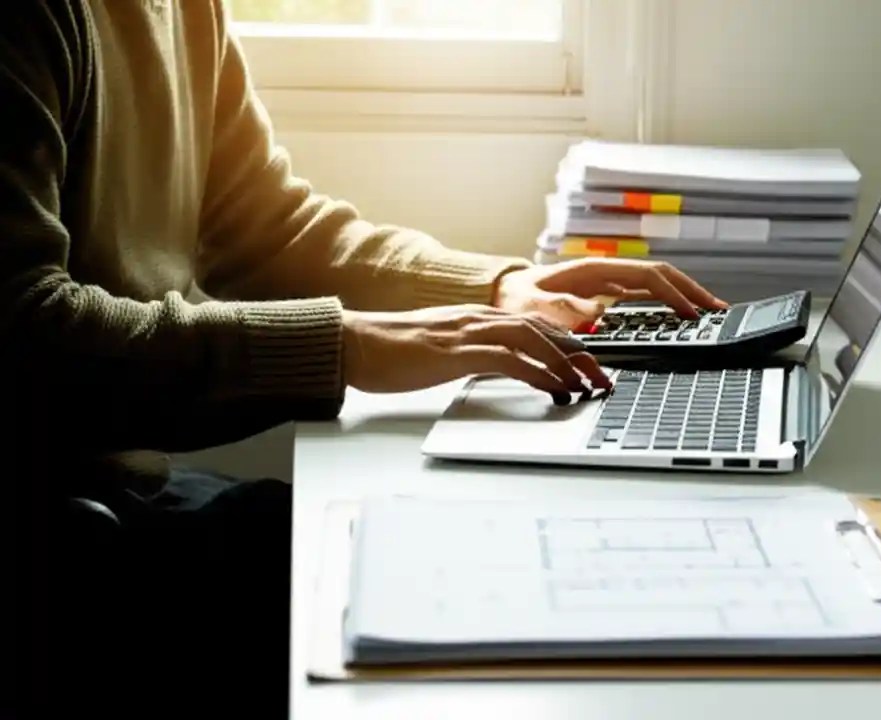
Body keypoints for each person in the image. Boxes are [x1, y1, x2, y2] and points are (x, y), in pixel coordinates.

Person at [0, 2, 727, 716]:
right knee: (416, 604)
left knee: (448, 549)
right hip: (54, 524)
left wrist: (496, 288)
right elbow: (26, 332)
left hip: (127, 492)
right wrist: (350, 345)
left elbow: (266, 229)